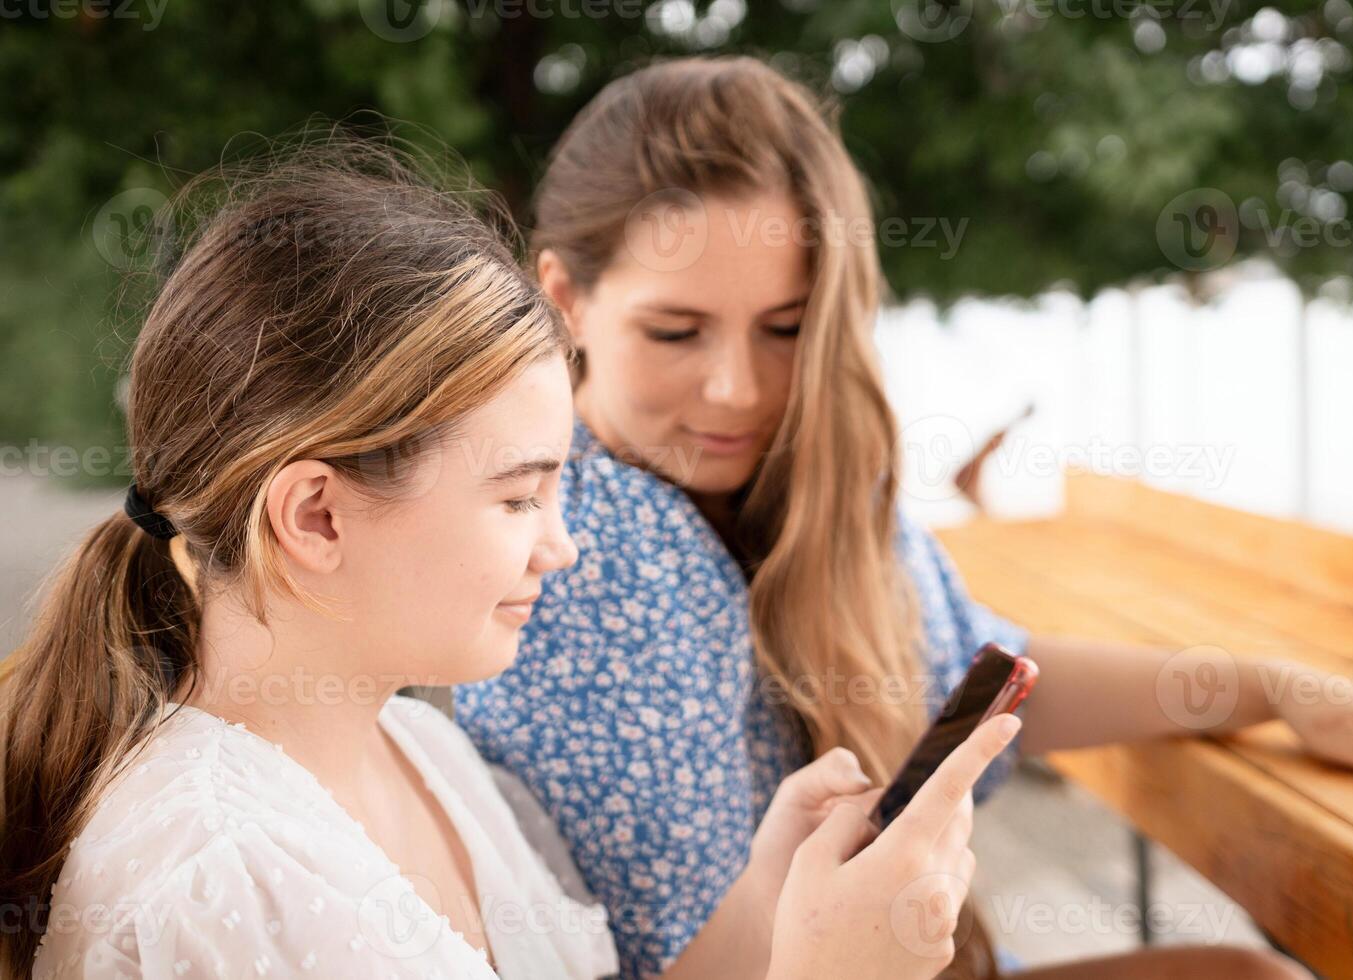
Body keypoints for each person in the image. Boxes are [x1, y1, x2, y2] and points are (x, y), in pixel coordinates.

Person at [455, 55, 1353, 980]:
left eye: (789, 327)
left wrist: (1273, 684)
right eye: (675, 331)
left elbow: (991, 681)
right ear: (567, 300)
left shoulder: (809, 483)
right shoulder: (581, 554)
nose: (737, 389)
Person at [0, 135, 1012, 980]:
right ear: (315, 516)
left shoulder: (421, 750)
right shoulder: (217, 881)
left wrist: (768, 900)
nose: (561, 543)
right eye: (520, 494)